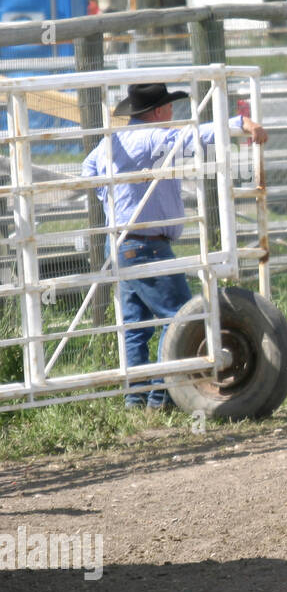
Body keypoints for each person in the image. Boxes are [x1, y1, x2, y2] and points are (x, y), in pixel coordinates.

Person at [81, 82, 268, 409]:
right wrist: (239, 124)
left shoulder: (111, 142)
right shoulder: (152, 138)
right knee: (180, 317)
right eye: (168, 106)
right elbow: (196, 136)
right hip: (147, 246)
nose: (172, 112)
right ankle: (161, 396)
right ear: (156, 111)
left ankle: (136, 399)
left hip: (124, 243)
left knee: (136, 325)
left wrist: (114, 204)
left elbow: (89, 169)